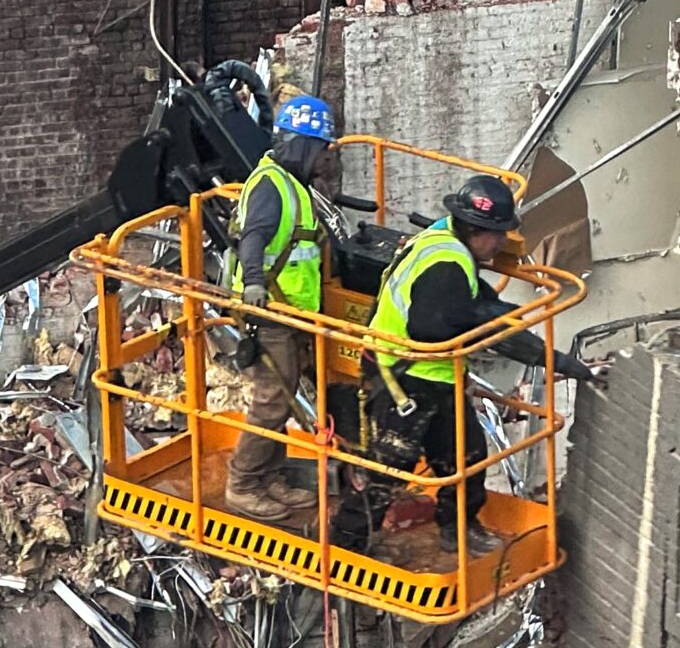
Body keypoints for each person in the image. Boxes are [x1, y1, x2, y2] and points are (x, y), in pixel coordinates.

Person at [365, 174, 574, 556]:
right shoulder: (448, 263)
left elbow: (478, 311)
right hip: (404, 377)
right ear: (477, 230)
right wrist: (483, 331)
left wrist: (550, 357)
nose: (501, 243)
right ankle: (350, 542)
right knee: (387, 470)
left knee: (468, 457)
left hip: (433, 374)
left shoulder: (444, 243)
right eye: (497, 234)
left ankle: (458, 529)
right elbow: (431, 327)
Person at [224, 94, 336, 522]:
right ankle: (243, 484)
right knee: (273, 398)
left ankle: (269, 475)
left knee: (286, 395)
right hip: (267, 309)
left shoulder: (293, 184)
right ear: (304, 145)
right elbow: (253, 237)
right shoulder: (272, 185)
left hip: (290, 311)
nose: (326, 160)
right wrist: (253, 284)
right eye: (323, 150)